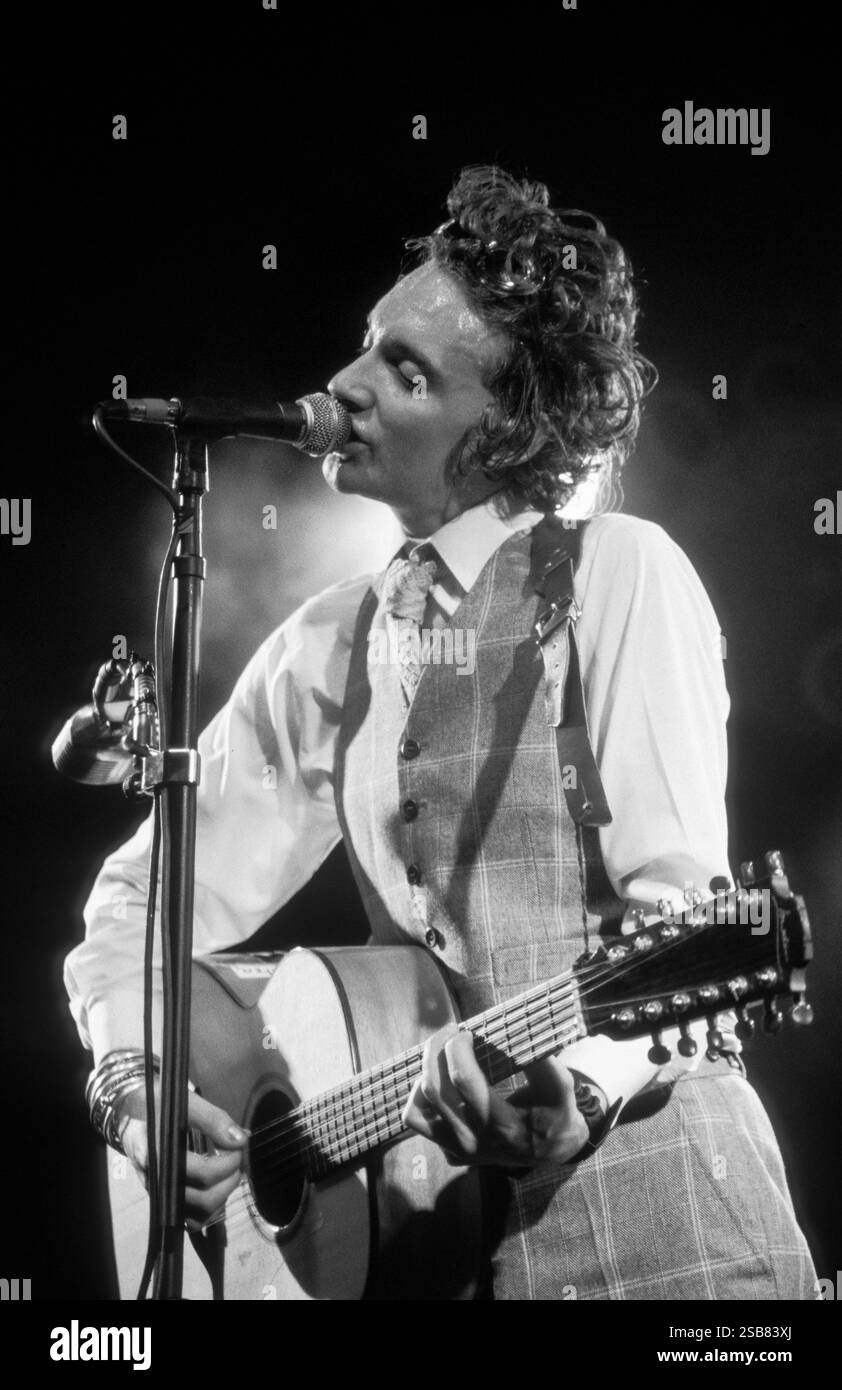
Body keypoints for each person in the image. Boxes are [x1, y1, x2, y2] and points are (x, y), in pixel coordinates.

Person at [65, 166, 816, 1300]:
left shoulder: (620, 572)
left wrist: (573, 1082)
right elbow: (137, 906)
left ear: (503, 430)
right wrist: (135, 1083)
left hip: (672, 1245)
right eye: (367, 344)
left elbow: (684, 926)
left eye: (403, 371)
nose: (344, 384)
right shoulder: (327, 643)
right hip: (443, 1265)